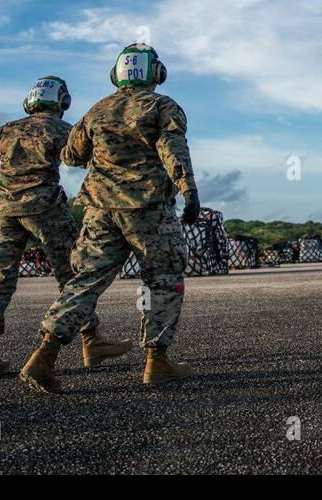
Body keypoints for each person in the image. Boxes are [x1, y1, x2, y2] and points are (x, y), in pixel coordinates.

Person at [0, 76, 132, 379]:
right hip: (45, 209)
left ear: (29, 102)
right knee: (73, 276)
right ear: (62, 102)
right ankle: (91, 341)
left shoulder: (7, 130)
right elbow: (94, 159)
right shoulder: (62, 129)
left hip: (4, 212)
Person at [20, 45, 199, 393]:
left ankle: (44, 355)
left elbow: (71, 156)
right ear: (157, 74)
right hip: (148, 210)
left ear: (115, 75)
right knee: (162, 279)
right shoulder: (163, 106)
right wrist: (187, 188)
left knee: (85, 280)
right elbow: (171, 146)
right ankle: (156, 361)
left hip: (99, 211)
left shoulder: (96, 110)